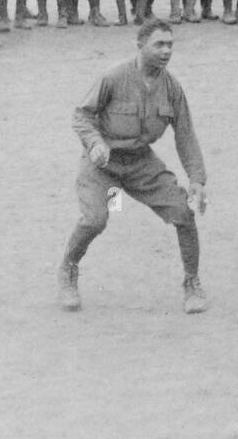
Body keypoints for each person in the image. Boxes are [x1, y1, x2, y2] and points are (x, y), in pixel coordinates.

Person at [59, 19, 209, 315]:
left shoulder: (171, 87)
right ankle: (68, 269)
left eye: (170, 45)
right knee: (95, 220)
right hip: (102, 163)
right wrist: (95, 143)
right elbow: (81, 116)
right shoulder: (114, 76)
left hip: (141, 163)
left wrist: (197, 179)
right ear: (140, 46)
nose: (166, 51)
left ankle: (192, 282)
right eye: (159, 45)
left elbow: (186, 135)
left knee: (183, 212)